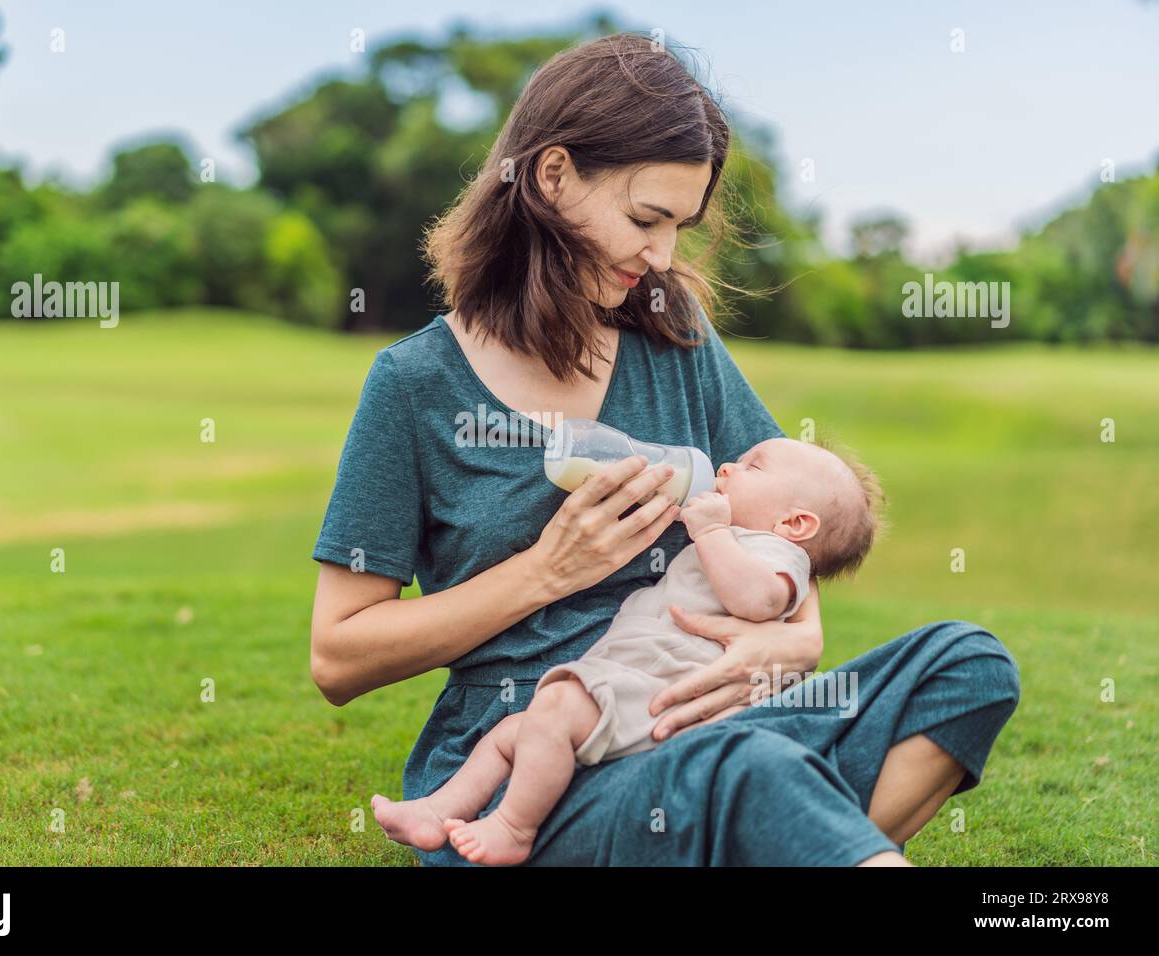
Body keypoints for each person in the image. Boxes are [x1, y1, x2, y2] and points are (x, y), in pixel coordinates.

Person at [309, 32, 1020, 866]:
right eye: (646, 219)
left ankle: (755, 829)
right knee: (740, 768)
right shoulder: (415, 386)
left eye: (680, 226)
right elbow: (338, 654)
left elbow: (791, 523)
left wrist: (793, 640)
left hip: (711, 711)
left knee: (968, 665)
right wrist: (546, 571)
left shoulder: (673, 333)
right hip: (544, 758)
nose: (663, 257)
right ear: (552, 176)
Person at [372, 436, 885, 865]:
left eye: (751, 466)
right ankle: (439, 808)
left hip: (667, 689)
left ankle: (513, 826)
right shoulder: (743, 539)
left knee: (554, 707)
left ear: (796, 525)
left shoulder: (778, 556)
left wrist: (709, 530)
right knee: (514, 732)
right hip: (634, 680)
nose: (728, 464)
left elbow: (758, 599)